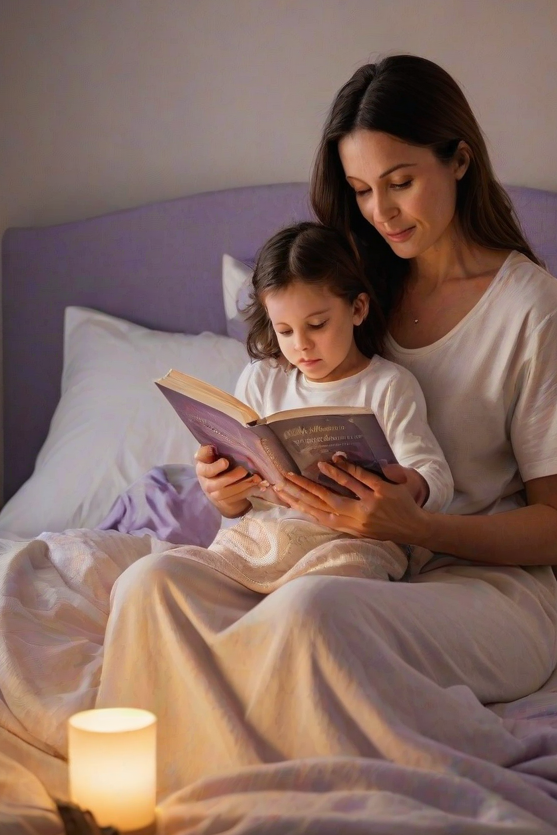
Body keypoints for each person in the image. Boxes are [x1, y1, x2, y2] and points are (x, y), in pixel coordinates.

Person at [97, 55, 557, 795]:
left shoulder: (532, 308)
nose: (382, 212)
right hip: (318, 556)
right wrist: (228, 482)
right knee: (151, 585)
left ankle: (280, 794)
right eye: (363, 190)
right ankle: (150, 785)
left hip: (481, 588)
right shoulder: (344, 291)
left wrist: (415, 526)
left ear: (459, 159)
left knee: (314, 611)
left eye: (400, 182)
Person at [180, 221, 452, 593]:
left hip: (352, 541)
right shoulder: (261, 379)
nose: (301, 345)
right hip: (268, 536)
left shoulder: (387, 385)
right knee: (158, 578)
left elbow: (434, 473)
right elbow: (243, 500)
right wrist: (224, 494)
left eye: (317, 325)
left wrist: (411, 486)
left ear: (357, 308)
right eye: (285, 331)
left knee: (312, 600)